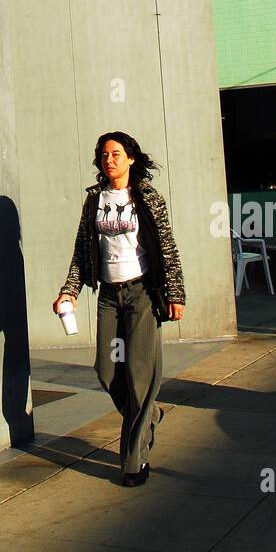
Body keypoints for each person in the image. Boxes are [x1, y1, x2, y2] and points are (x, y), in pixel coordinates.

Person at [52, 131, 186, 487]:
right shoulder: (94, 201)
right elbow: (82, 252)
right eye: (103, 154)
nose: (108, 159)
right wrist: (69, 292)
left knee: (140, 375)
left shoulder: (147, 198)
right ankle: (150, 415)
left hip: (142, 294)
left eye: (116, 153)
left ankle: (132, 461)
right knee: (107, 371)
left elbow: (167, 247)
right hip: (109, 297)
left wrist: (176, 294)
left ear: (131, 159)